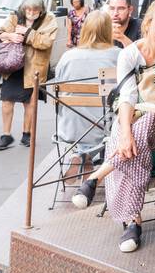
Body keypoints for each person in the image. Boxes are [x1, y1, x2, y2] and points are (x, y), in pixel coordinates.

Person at [72, 0, 155, 253]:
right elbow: (128, 98)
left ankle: (95, 177)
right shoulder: (129, 55)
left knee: (146, 122)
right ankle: (133, 220)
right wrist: (125, 135)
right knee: (127, 136)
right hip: (135, 119)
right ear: (148, 24)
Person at [52, 10, 121, 180]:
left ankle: (80, 155)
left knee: (80, 115)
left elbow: (56, 96)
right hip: (104, 128)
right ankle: (88, 158)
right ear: (108, 30)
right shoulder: (117, 55)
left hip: (70, 127)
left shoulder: (67, 57)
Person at [0, 0, 57, 151]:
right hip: (13, 65)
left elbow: (46, 42)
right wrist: (10, 35)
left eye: (35, 9)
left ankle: (26, 134)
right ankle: (6, 135)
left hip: (33, 67)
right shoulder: (15, 17)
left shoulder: (49, 20)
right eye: (28, 9)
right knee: (7, 101)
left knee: (29, 103)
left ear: (41, 10)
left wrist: (27, 33)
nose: (31, 12)